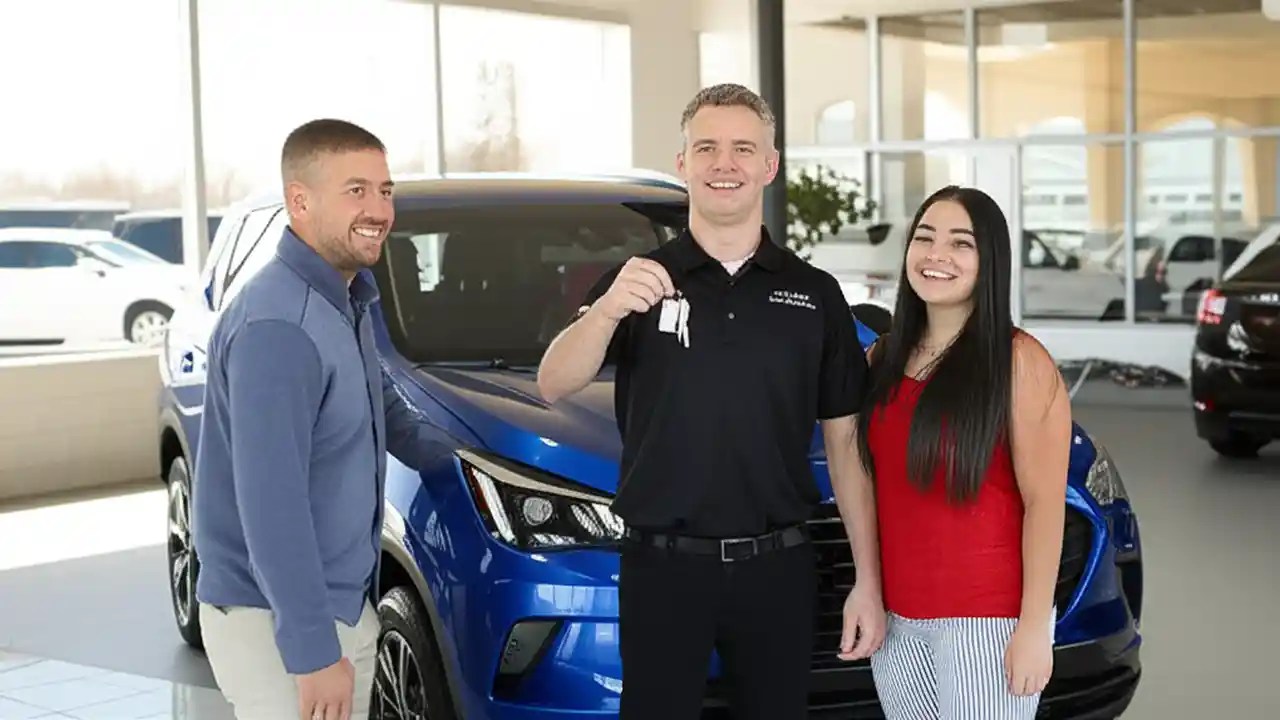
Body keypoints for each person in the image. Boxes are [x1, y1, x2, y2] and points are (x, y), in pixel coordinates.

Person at [536, 83, 886, 719]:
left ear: (769, 166)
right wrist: (609, 308)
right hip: (663, 568)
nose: (724, 164)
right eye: (707, 148)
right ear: (683, 164)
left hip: (777, 568)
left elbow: (845, 445)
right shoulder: (639, 280)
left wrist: (869, 580)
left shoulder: (813, 294)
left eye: (742, 149)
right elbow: (553, 381)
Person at [192, 118, 439, 720]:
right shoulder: (279, 326)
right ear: (299, 201)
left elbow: (390, 414)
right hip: (275, 621)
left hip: (338, 604)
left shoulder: (344, 300)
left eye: (385, 190)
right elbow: (271, 506)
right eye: (356, 190)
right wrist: (310, 651)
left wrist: (492, 465)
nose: (380, 209)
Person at [854, 185, 1072, 719]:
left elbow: (1046, 504)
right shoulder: (882, 357)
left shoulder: (1020, 363)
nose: (937, 256)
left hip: (985, 627)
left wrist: (1034, 628)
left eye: (960, 244)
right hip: (899, 624)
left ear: (989, 260)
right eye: (924, 238)